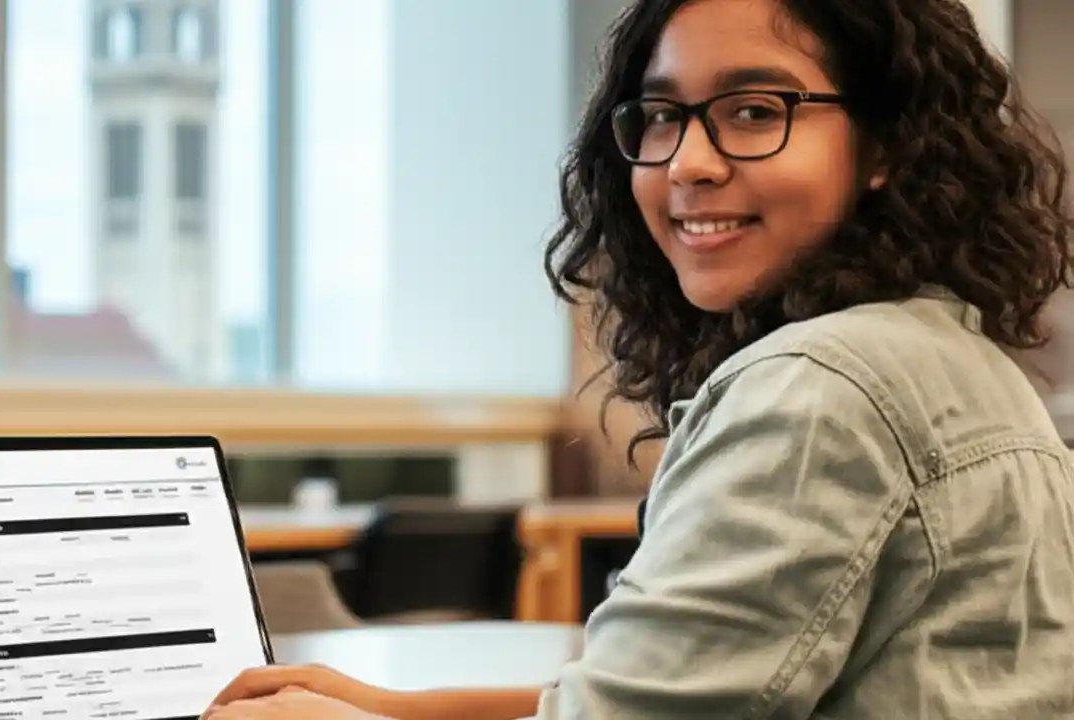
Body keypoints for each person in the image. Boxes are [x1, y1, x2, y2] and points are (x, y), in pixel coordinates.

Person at [203, 0, 1074, 716]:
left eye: (755, 112)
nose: (687, 162)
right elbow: (649, 698)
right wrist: (395, 708)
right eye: (661, 117)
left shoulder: (820, 387)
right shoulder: (946, 358)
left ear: (886, 144)